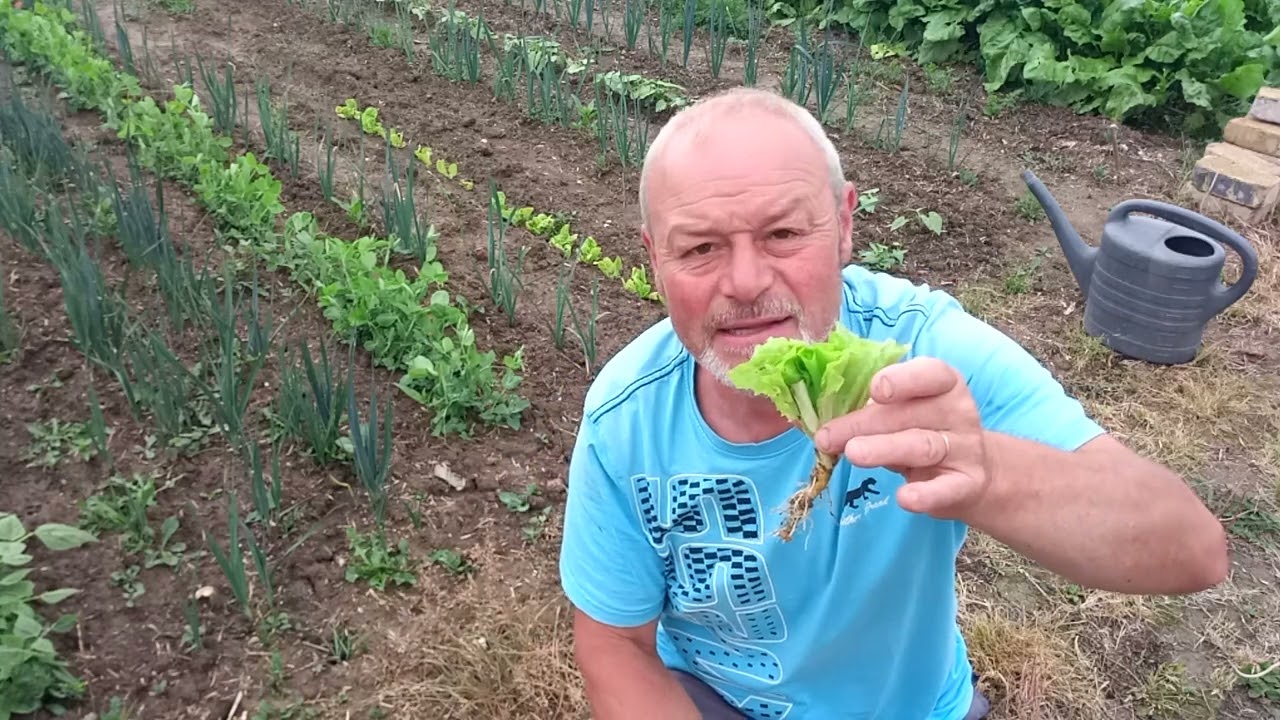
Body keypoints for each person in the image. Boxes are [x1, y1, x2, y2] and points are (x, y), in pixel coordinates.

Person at [557, 86, 1228, 720]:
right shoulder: (627, 418)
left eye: (784, 235)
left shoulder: (923, 355)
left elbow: (1193, 550)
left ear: (845, 225)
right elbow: (616, 643)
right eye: (700, 248)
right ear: (654, 261)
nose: (746, 281)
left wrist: (985, 472)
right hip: (716, 697)